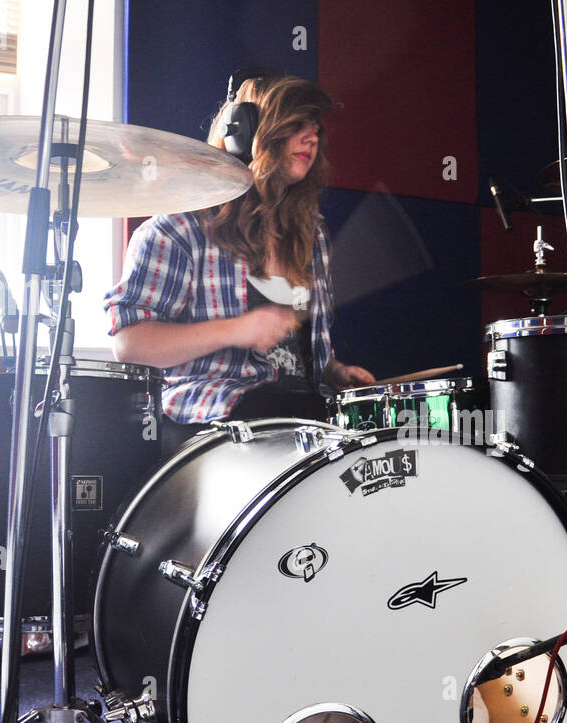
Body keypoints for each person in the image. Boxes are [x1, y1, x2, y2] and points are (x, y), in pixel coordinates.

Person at [105, 73, 374, 454]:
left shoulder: (309, 234)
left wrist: (333, 371)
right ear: (245, 133)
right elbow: (129, 345)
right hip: (216, 424)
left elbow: (291, 349)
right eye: (296, 124)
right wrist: (236, 329)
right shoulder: (179, 230)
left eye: (315, 128)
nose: (311, 137)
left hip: (303, 420)